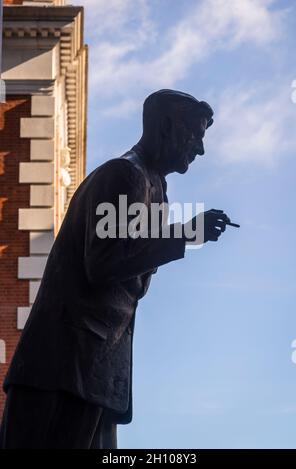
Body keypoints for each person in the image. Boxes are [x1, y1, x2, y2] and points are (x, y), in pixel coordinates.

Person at [0, 89, 231, 449]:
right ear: (167, 127)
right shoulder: (123, 175)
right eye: (195, 135)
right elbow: (104, 263)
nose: (200, 149)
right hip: (62, 369)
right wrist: (186, 234)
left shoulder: (155, 189)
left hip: (96, 372)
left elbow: (132, 278)